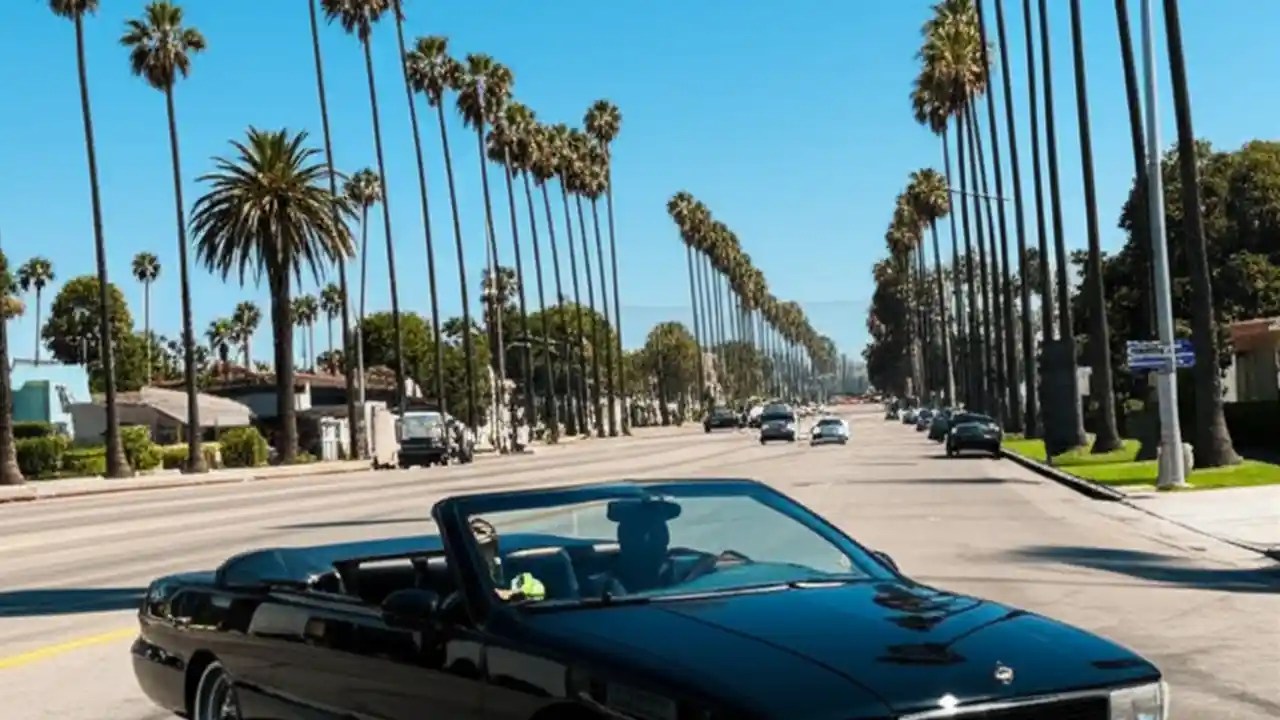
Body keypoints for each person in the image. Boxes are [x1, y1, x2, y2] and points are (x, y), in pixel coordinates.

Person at [592, 498, 682, 595]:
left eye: (656, 529)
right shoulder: (604, 584)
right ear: (622, 537)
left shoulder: (686, 571)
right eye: (636, 531)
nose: (647, 538)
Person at [470, 517, 546, 602]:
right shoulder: (465, 584)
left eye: (490, 549)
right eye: (482, 550)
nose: (495, 560)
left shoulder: (518, 578)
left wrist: (516, 594)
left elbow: (536, 591)